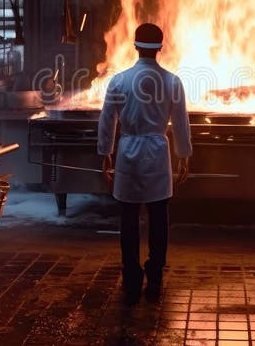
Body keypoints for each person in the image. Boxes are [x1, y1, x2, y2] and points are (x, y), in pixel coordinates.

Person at [98, 22, 192, 305]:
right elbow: (181, 123)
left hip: (127, 150)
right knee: (158, 217)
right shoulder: (172, 81)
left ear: (136, 46)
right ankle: (155, 275)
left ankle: (131, 276)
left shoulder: (119, 80)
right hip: (158, 151)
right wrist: (183, 155)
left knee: (128, 218)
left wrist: (106, 152)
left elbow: (107, 120)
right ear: (160, 49)